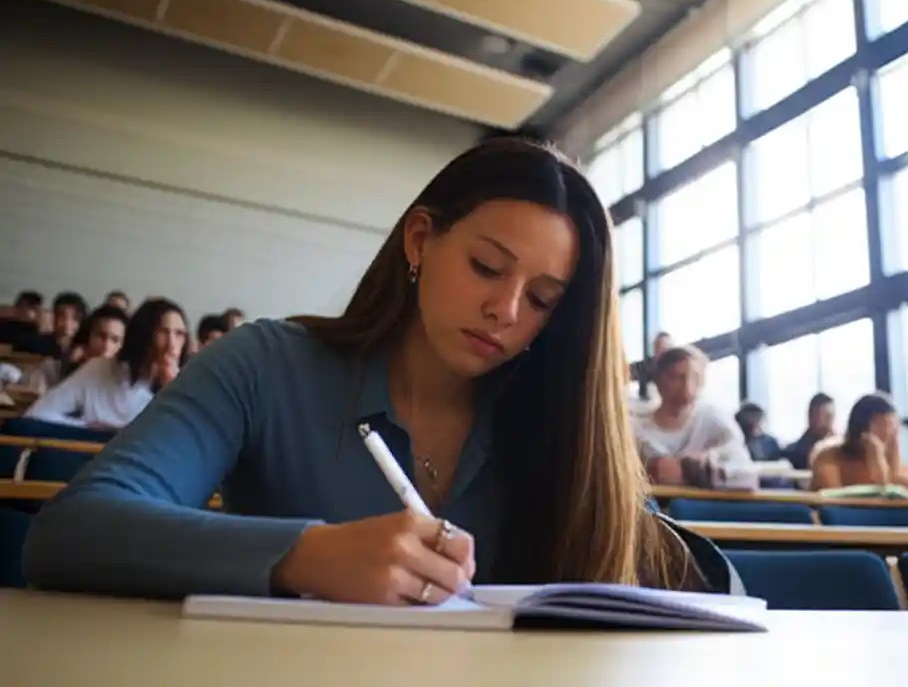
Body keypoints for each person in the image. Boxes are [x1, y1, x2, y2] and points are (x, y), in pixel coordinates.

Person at [24, 139, 737, 605]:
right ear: (421, 241)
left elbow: (714, 591)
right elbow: (70, 533)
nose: (505, 309)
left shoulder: (552, 415)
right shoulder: (266, 365)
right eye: (486, 267)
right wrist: (303, 555)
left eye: (544, 300)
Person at [23, 299, 189, 429]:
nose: (172, 344)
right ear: (144, 335)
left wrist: (172, 388)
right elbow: (38, 414)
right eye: (163, 332)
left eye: (179, 334)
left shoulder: (185, 383)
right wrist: (89, 427)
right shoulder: (99, 370)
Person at [632, 345, 757, 490]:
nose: (687, 386)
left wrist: (695, 469)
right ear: (658, 381)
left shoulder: (712, 418)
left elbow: (746, 471)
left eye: (695, 378)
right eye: (677, 377)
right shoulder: (638, 428)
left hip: (706, 508)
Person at [810, 392, 908, 493]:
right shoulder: (829, 457)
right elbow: (831, 501)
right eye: (882, 424)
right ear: (861, 428)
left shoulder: (889, 459)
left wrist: (891, 470)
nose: (888, 432)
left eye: (892, 425)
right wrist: (878, 470)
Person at [15, 291, 87, 360]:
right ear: (54, 317)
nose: (67, 323)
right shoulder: (38, 341)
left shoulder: (86, 346)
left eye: (74, 318)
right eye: (62, 317)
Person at [784, 393, 836, 469]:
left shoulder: (842, 450)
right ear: (811, 416)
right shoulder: (793, 454)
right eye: (826, 416)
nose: (830, 421)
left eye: (831, 416)